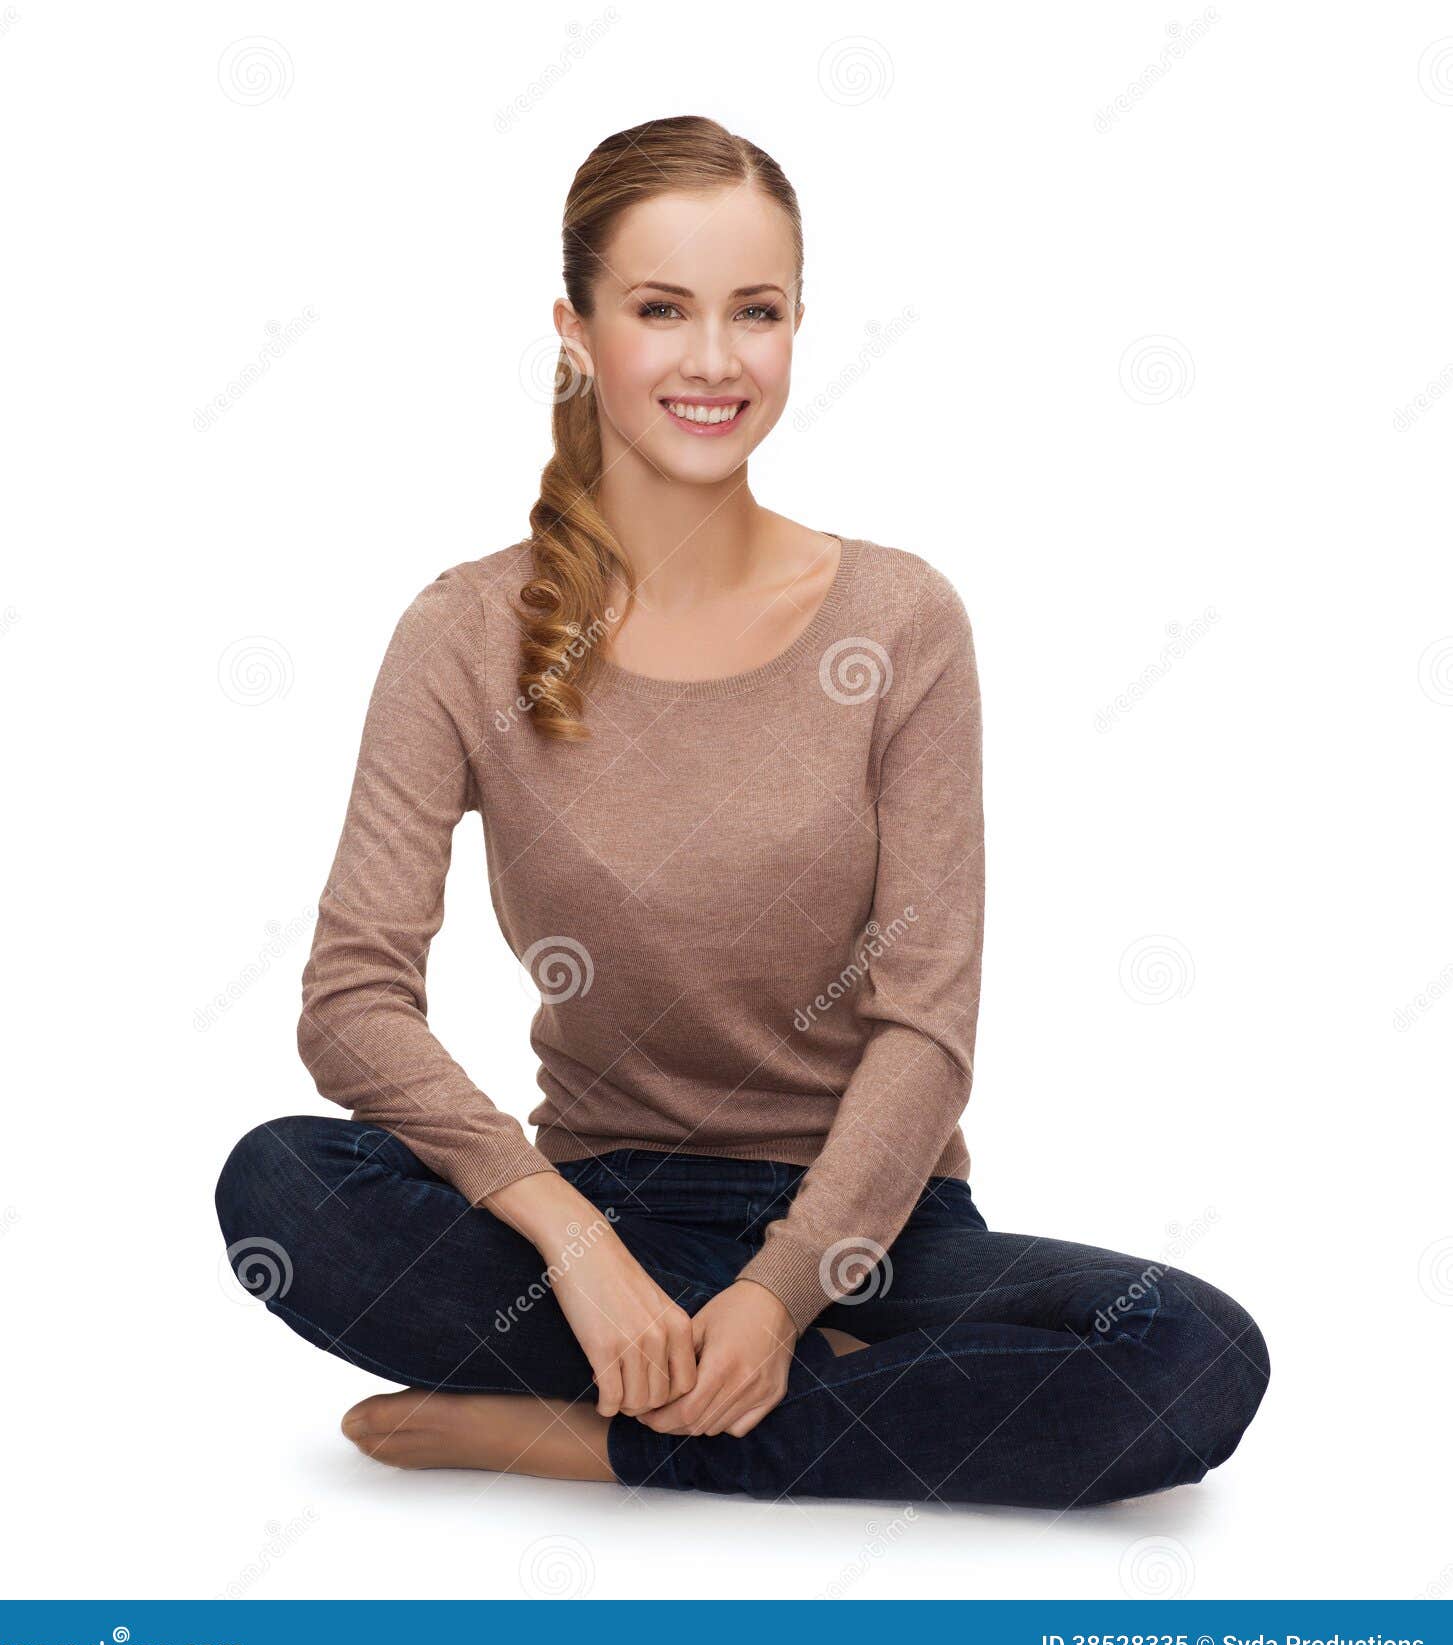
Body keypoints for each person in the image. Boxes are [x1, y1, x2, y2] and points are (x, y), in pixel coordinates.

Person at [214, 115, 1269, 1508]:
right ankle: (761, 1389)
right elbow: (353, 998)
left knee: (1184, 1353)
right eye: (662, 309)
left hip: (872, 1233)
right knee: (281, 1187)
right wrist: (576, 1247)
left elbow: (923, 1024)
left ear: (794, 328)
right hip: (597, 1210)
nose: (714, 360)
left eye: (753, 312)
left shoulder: (899, 620)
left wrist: (779, 1293)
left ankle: (600, 1434)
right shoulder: (461, 632)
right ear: (576, 331)